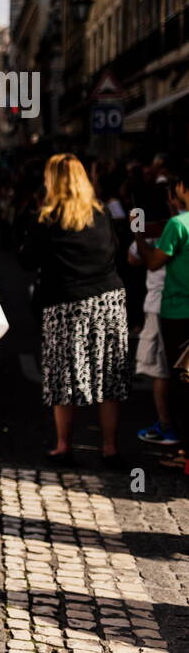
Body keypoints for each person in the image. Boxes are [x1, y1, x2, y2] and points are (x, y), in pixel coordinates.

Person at [21, 153, 130, 469]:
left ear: (52, 182)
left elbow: (27, 259)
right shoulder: (102, 214)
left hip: (65, 303)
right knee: (109, 379)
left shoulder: (46, 218)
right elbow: (115, 252)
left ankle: (63, 446)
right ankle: (110, 449)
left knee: (64, 378)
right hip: (108, 300)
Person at [134, 165, 189, 468]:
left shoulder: (178, 225)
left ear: (181, 189)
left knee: (182, 383)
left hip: (178, 313)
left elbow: (153, 263)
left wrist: (140, 237)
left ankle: (183, 451)